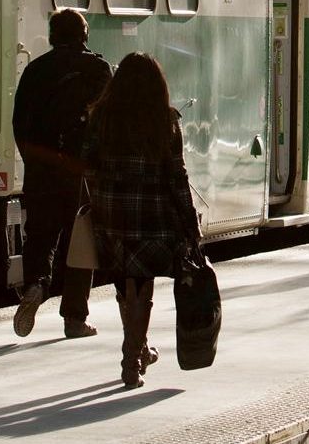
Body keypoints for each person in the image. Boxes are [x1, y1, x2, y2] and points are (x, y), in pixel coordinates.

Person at [83, 53, 202, 388]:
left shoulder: (101, 118)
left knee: (125, 285)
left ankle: (135, 350)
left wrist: (100, 196)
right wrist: (190, 224)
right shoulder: (165, 120)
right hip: (152, 214)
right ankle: (131, 357)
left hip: (112, 215)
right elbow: (177, 176)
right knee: (143, 286)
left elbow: (87, 163)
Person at [11, 9, 111, 339]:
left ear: (53, 36)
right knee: (80, 242)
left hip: (41, 171)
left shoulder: (34, 71)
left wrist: (34, 161)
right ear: (84, 35)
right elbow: (106, 123)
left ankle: (36, 285)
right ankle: (74, 318)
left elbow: (19, 124)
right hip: (81, 173)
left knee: (40, 235)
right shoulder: (98, 69)